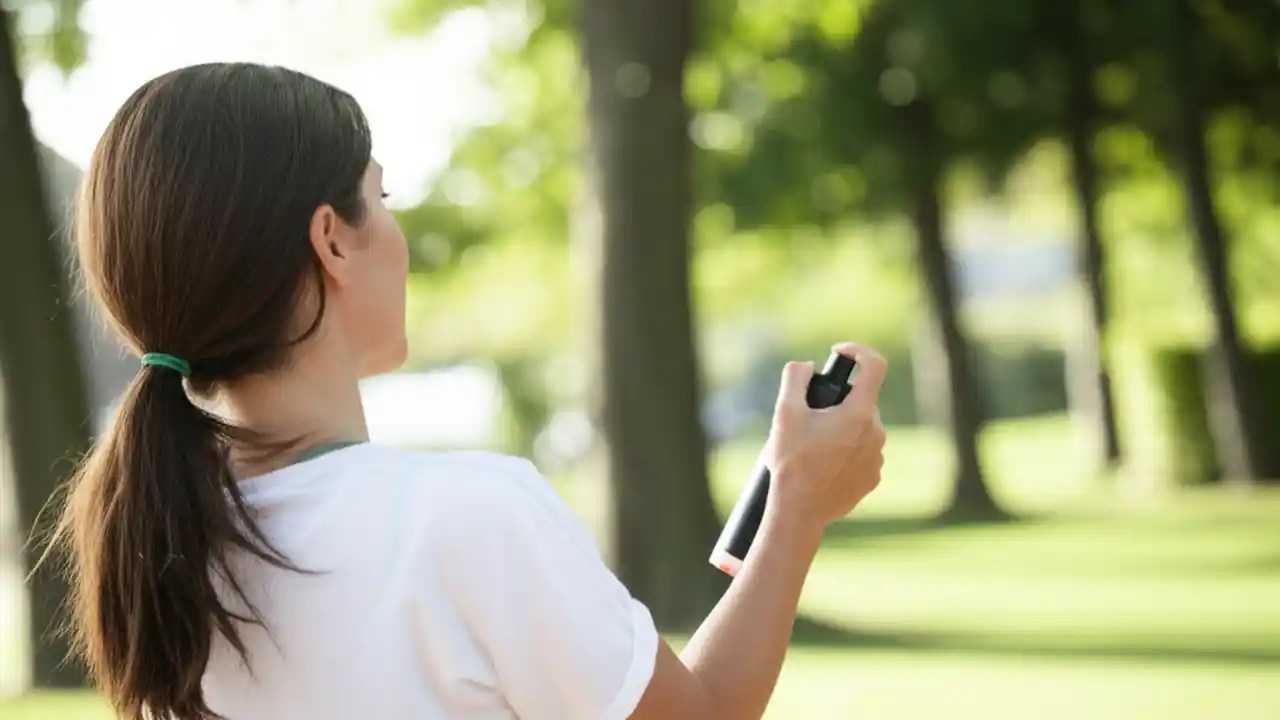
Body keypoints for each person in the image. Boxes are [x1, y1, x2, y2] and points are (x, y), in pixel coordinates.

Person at [51, 62, 888, 720]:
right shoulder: (463, 515)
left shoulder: (160, 544)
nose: (399, 231)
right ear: (332, 240)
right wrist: (799, 509)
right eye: (382, 197)